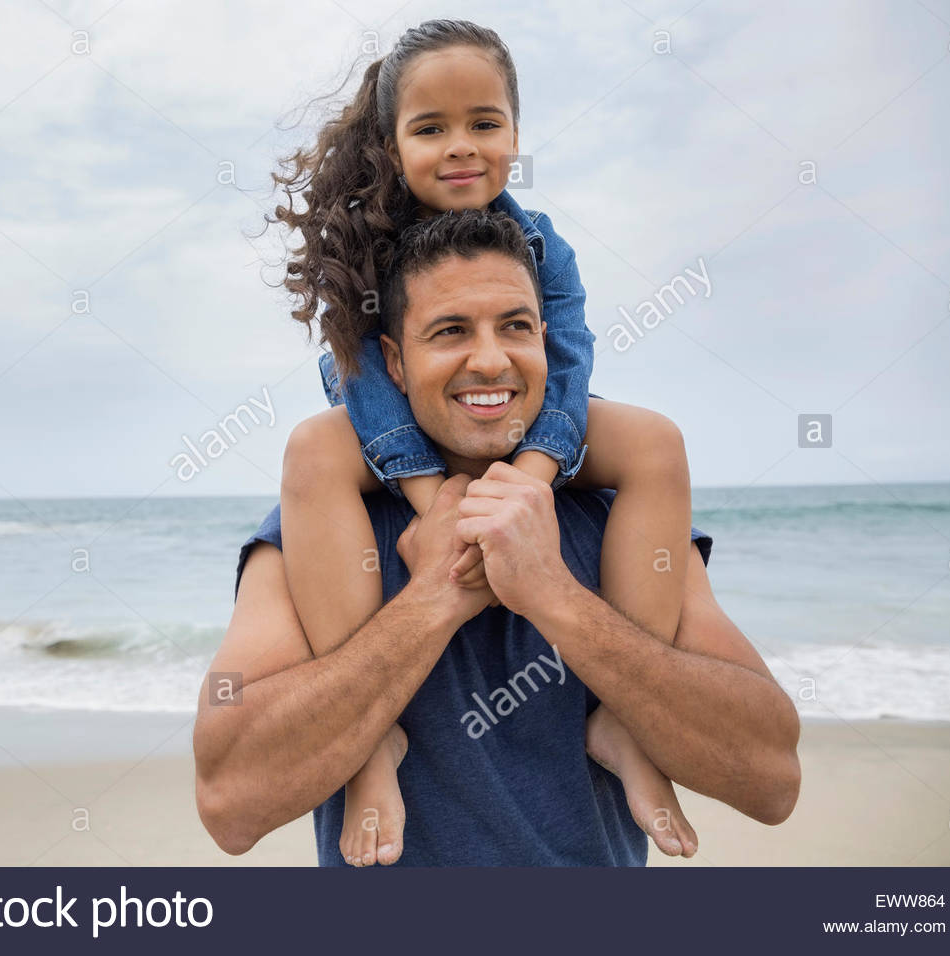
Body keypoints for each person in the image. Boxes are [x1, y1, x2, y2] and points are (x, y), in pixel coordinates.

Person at [192, 208, 801, 867]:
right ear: (394, 363)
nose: (490, 360)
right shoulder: (318, 527)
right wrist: (435, 595)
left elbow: (771, 778)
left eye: (514, 327)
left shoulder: (623, 516)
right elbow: (231, 801)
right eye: (450, 332)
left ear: (547, 341)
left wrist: (554, 596)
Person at [266, 18, 695, 865]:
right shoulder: (368, 242)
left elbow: (566, 360)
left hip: (535, 424)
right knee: (314, 450)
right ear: (392, 146)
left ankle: (622, 721)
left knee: (652, 442)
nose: (460, 148)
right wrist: (434, 499)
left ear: (516, 134)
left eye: (483, 124)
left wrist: (533, 475)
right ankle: (371, 745)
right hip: (396, 430)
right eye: (430, 129)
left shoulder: (544, 245)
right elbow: (359, 375)